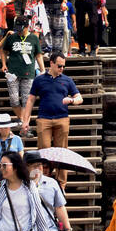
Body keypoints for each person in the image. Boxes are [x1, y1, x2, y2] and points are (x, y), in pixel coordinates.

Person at [20, 52, 82, 189]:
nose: (61, 69)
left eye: (63, 66)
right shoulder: (39, 80)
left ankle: (61, 185)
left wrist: (71, 100)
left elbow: (79, 98)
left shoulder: (67, 80)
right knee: (43, 152)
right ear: (51, 63)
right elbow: (30, 100)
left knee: (62, 153)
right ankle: (42, 182)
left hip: (62, 118)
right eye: (59, 66)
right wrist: (25, 121)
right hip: (44, 119)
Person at [0, 14, 43, 119]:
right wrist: (4, 64)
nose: (19, 31)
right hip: (12, 72)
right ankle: (23, 121)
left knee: (26, 101)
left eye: (21, 29)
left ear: (27, 27)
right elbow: (3, 51)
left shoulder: (34, 38)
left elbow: (38, 55)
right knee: (14, 100)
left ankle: (24, 124)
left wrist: (43, 70)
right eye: (17, 29)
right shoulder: (12, 37)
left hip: (28, 72)